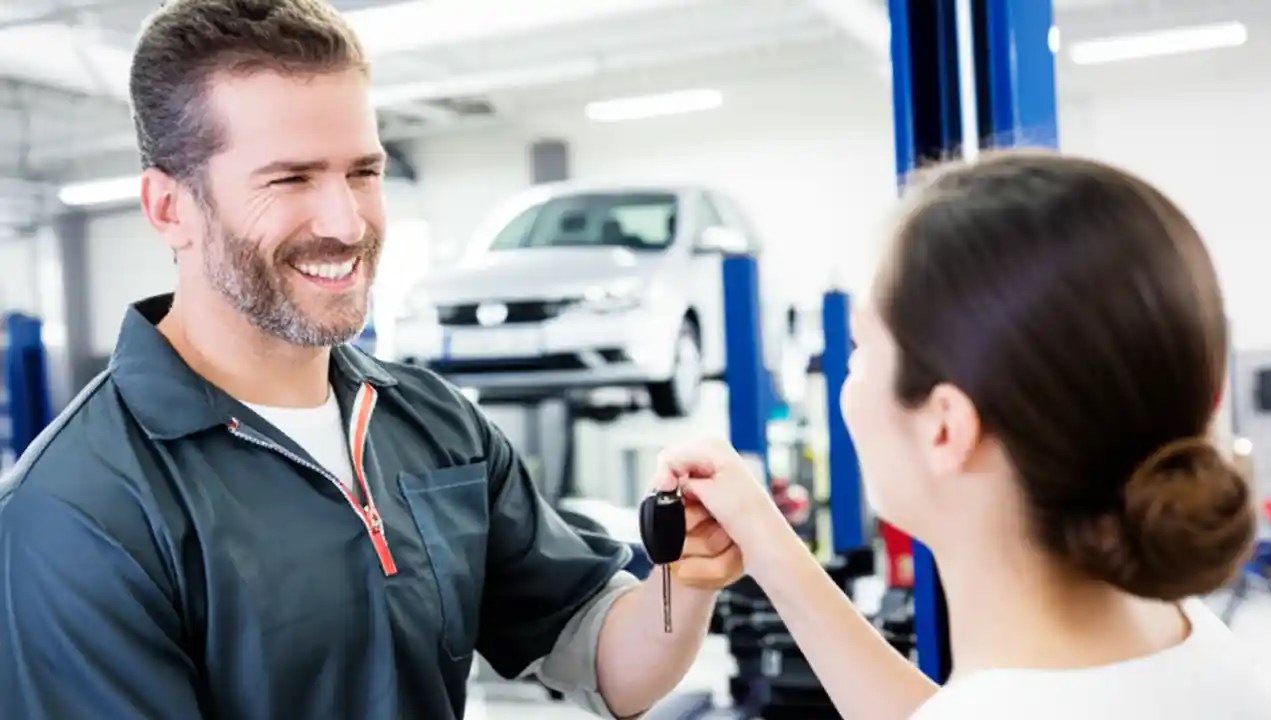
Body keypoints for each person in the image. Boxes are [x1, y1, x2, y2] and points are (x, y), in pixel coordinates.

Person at [0, 1, 743, 718]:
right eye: (290, 179)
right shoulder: (78, 511)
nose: (347, 222)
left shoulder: (434, 424)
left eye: (362, 172)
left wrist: (684, 578)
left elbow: (603, 659)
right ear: (170, 208)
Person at [652, 151, 1271, 719]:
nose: (850, 374)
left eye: (860, 349)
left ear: (945, 427)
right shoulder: (1181, 639)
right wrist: (768, 544)